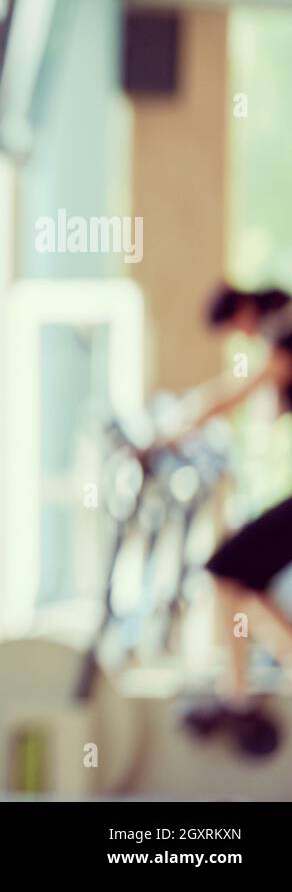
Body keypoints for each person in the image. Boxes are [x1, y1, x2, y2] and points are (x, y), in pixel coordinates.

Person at [161, 283, 292, 754]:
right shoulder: (279, 322)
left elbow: (242, 390)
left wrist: (173, 430)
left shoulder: (281, 323)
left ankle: (237, 698)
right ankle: (236, 694)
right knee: (239, 580)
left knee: (225, 570)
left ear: (239, 313)